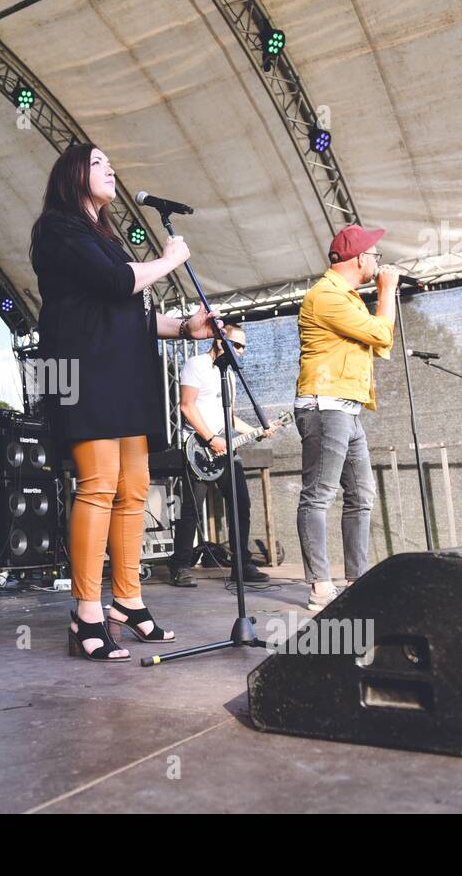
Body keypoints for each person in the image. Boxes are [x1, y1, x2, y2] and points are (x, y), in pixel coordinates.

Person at [30, 142, 218, 661]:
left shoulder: (105, 238)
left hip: (125, 375)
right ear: (72, 175)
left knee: (134, 490)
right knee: (98, 487)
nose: (110, 169)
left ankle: (128, 602)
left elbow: (126, 309)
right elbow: (118, 283)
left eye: (111, 163)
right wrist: (168, 259)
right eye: (98, 163)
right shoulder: (57, 228)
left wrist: (184, 327)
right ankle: (86, 612)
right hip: (85, 373)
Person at [294, 224, 398, 611]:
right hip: (325, 405)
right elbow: (381, 335)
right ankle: (321, 587)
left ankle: (356, 580)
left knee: (361, 495)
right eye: (375, 255)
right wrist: (387, 291)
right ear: (359, 258)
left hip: (347, 408)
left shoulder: (349, 298)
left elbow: (375, 340)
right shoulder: (325, 297)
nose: (378, 262)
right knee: (318, 496)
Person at [169, 322, 273, 587]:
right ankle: (180, 566)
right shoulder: (196, 365)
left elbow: (230, 417)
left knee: (241, 505)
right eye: (236, 345)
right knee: (192, 508)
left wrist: (257, 430)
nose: (240, 351)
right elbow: (186, 406)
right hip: (198, 448)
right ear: (219, 340)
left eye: (243, 347)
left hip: (224, 448)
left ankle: (241, 564)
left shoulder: (229, 376)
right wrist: (211, 438)